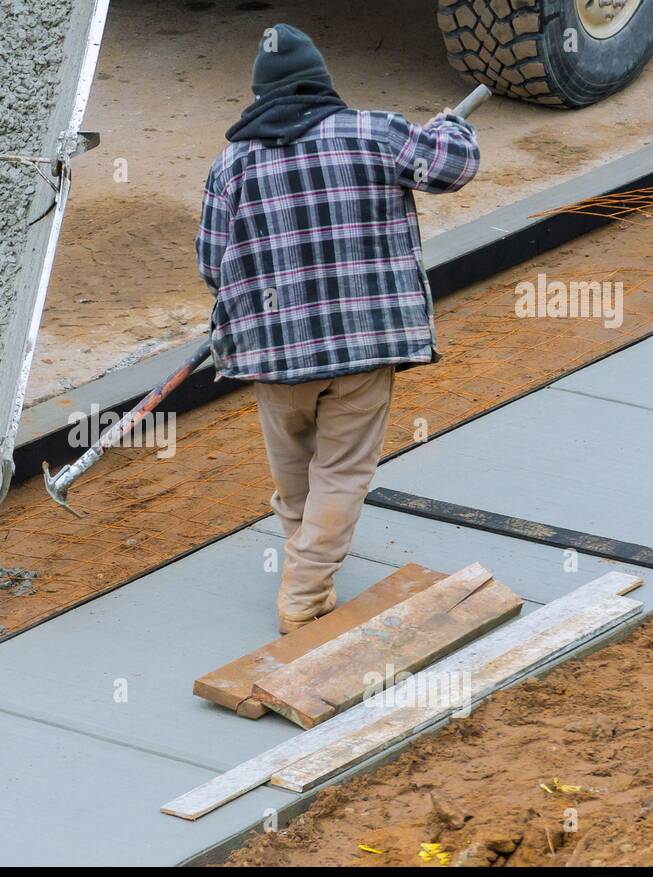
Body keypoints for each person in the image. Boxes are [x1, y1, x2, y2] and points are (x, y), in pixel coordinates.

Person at [196, 24, 480, 633]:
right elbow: (453, 168)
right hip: (362, 345)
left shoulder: (231, 165)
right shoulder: (375, 132)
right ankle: (303, 593)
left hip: (271, 357)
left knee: (297, 478)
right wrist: (450, 126)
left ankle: (309, 574)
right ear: (322, 82)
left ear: (259, 95)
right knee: (342, 473)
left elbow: (210, 265)